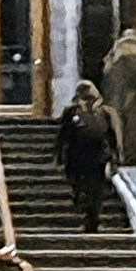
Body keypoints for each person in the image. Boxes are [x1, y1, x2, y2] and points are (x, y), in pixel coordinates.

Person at [57, 79, 123, 235]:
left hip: (97, 158)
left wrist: (116, 156)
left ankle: (92, 220)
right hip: (76, 159)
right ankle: (83, 209)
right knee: (79, 188)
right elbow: (63, 135)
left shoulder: (106, 113)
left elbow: (114, 135)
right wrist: (60, 156)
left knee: (95, 190)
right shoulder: (72, 112)